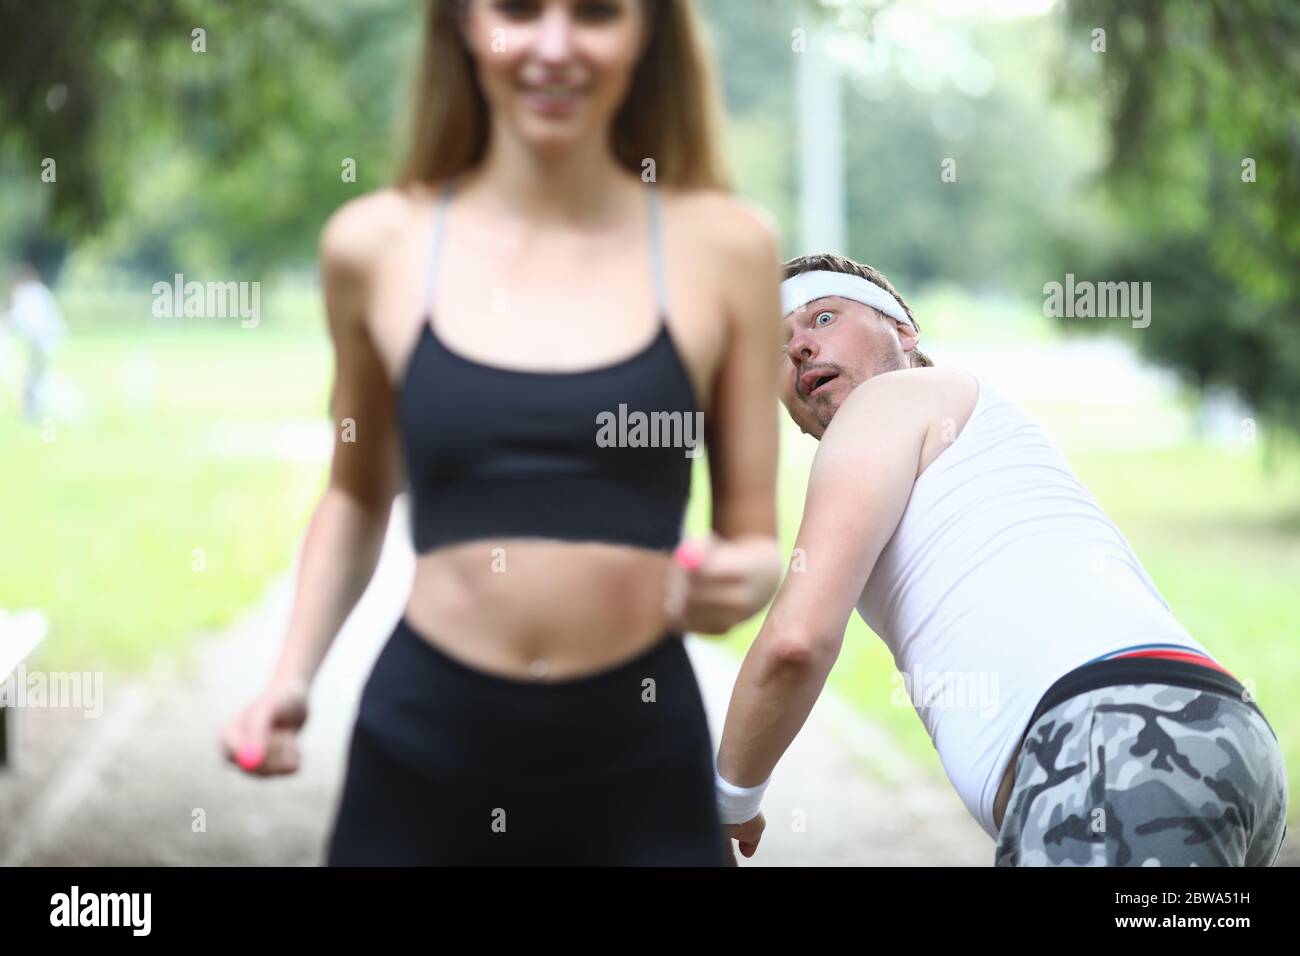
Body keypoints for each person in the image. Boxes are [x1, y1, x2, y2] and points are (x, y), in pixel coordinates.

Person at [220, 0, 784, 866]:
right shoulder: (375, 246)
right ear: (458, 24)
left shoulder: (726, 247)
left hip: (640, 758)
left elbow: (753, 543)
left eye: (596, 13)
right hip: (420, 752)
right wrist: (289, 678)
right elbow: (356, 494)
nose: (553, 47)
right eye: (517, 10)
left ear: (647, 35)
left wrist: (740, 582)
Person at [712, 252, 1288, 866]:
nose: (799, 346)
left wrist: (727, 802)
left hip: (1115, 749)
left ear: (905, 330)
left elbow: (794, 643)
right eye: (777, 345)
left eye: (824, 317)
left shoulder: (888, 402)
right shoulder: (965, 429)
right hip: (1216, 742)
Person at [3, 262, 67, 422]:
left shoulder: (29, 293)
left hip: (42, 341)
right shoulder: (36, 292)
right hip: (44, 341)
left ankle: (33, 413)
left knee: (33, 378)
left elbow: (23, 320)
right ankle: (31, 411)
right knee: (34, 377)